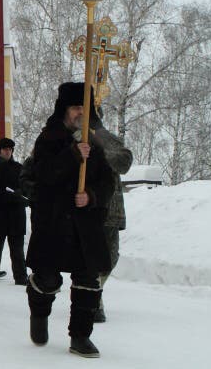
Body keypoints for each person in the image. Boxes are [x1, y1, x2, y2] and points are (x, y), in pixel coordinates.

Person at [26, 82, 115, 358]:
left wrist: (90, 196)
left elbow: (107, 183)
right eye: (76, 107)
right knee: (48, 278)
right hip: (54, 222)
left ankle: (80, 336)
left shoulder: (95, 142)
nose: (80, 113)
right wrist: (72, 155)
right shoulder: (48, 139)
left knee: (88, 280)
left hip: (85, 224)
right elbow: (42, 176)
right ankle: (39, 314)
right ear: (64, 110)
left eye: (84, 108)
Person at [90, 114, 133, 323]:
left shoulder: (108, 139)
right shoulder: (72, 137)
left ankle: (95, 288)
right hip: (86, 209)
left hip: (111, 209)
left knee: (111, 257)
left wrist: (101, 146)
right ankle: (91, 299)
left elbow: (124, 162)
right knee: (87, 258)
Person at [0, 137, 28, 285]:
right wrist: (10, 196)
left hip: (16, 214)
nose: (8, 152)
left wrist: (20, 194)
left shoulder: (19, 167)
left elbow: (26, 186)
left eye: (10, 149)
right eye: (5, 149)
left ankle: (21, 276)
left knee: (17, 248)